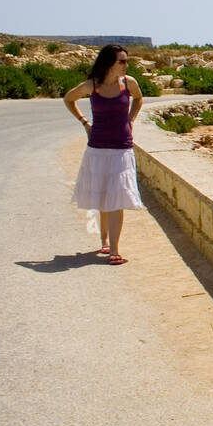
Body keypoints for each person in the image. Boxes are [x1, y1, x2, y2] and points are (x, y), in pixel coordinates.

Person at [63, 45, 144, 264]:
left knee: (117, 196)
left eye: (126, 61)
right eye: (122, 61)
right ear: (110, 63)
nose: (126, 65)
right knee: (101, 197)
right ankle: (104, 239)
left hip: (122, 147)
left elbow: (138, 99)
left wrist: (131, 120)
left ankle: (115, 250)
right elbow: (68, 98)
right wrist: (84, 123)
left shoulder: (129, 83)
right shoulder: (93, 85)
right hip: (97, 147)